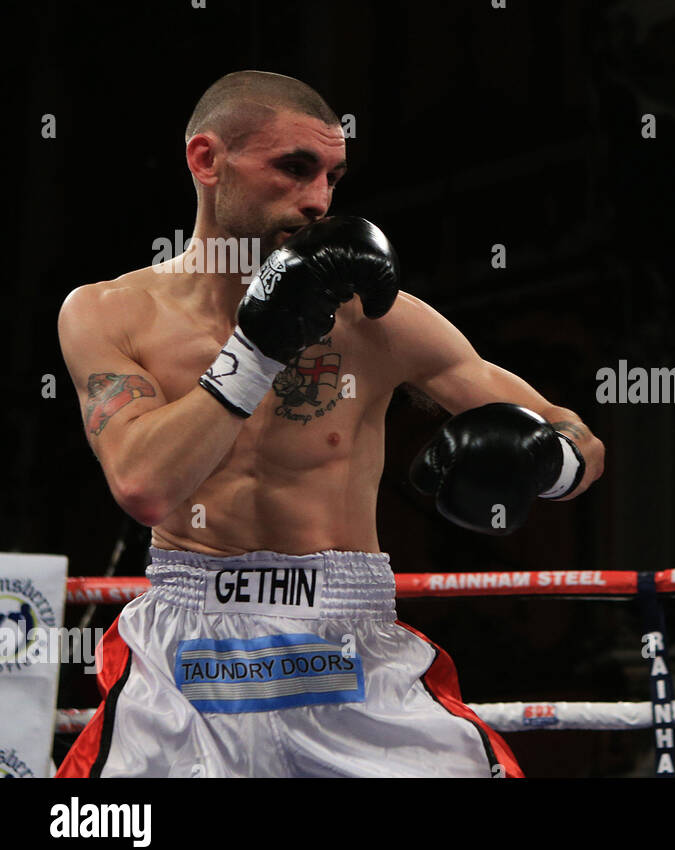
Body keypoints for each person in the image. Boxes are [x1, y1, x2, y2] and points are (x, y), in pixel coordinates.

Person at [55, 70, 603, 777]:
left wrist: (545, 463)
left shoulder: (376, 320)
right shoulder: (107, 312)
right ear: (206, 159)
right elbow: (144, 486)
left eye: (333, 176)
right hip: (184, 661)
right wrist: (260, 346)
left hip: (346, 646)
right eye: (294, 167)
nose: (317, 200)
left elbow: (577, 435)